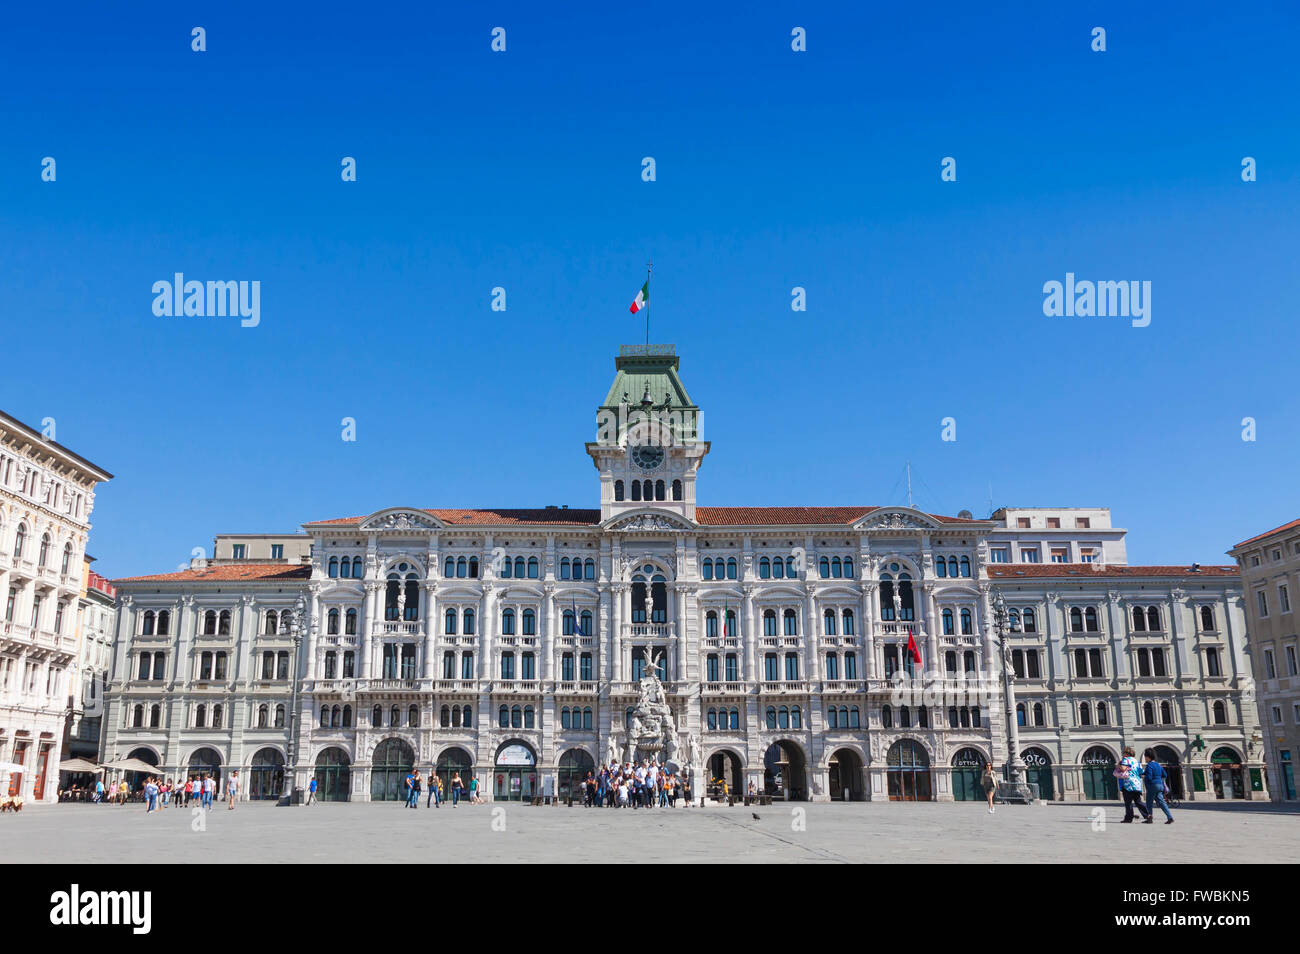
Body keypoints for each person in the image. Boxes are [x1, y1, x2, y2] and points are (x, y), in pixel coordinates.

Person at [1114, 747, 1150, 823]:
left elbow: (1123, 768)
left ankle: (1128, 818)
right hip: (1137, 784)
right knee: (1138, 801)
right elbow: (1141, 773)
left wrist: (1118, 766)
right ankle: (1148, 815)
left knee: (1128, 802)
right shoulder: (1137, 762)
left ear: (1126, 753)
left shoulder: (1126, 760)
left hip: (1128, 784)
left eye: (1124, 753)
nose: (1123, 755)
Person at [1142, 749, 1174, 824]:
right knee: (1162, 802)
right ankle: (1170, 817)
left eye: (1145, 757)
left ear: (1148, 757)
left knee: (1149, 802)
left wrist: (1144, 777)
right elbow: (1165, 775)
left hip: (1152, 785)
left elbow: (1149, 777)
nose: (1145, 759)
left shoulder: (1149, 765)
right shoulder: (1158, 765)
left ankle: (1149, 818)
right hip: (1160, 785)